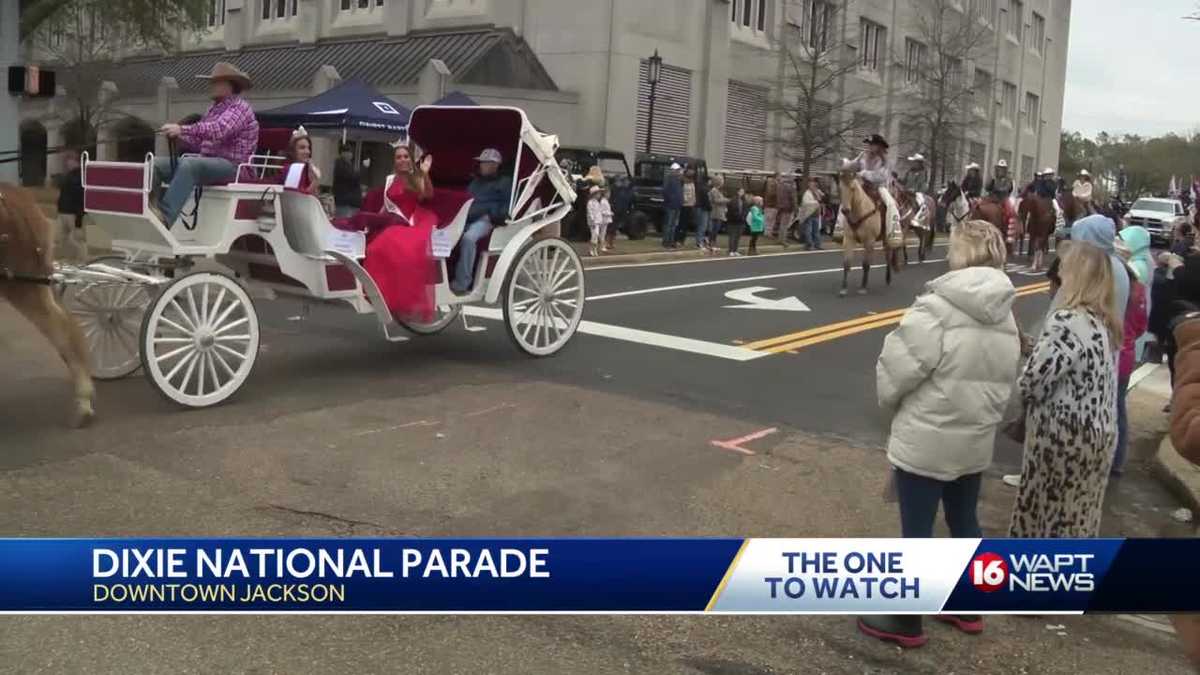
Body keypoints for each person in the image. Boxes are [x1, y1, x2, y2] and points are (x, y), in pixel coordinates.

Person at [860, 220, 1019, 648]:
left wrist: (891, 405)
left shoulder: (937, 307)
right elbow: (1006, 381)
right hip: (973, 438)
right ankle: (967, 605)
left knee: (917, 528)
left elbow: (898, 367)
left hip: (928, 434)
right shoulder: (1005, 314)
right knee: (964, 519)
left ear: (962, 254)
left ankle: (905, 618)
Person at [1010, 243, 1122, 539]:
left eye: (1064, 267)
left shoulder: (1067, 320)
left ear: (1076, 275)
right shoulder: (1101, 322)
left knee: (1043, 521)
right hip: (1097, 436)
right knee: (1078, 519)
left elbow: (1034, 381)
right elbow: (1072, 364)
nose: (1058, 271)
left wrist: (1025, 374)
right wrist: (1033, 346)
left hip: (1061, 440)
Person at [154, 62, 259, 227]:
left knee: (190, 165)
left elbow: (219, 130)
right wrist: (178, 136)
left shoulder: (240, 108)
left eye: (215, 82)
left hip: (234, 168)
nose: (211, 85)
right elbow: (199, 142)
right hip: (210, 164)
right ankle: (148, 208)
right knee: (155, 165)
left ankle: (164, 218)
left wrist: (182, 129)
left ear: (229, 85)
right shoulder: (213, 110)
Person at [357, 141, 437, 323]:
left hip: (409, 224)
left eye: (405, 156)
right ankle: (381, 293)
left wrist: (424, 172)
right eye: (398, 157)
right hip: (390, 222)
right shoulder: (390, 180)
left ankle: (398, 299)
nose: (402, 160)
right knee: (371, 247)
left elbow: (427, 195)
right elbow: (386, 208)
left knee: (386, 249)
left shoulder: (415, 177)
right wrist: (373, 219)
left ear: (411, 159)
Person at [1114, 230, 1150, 476]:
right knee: (1119, 409)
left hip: (1113, 356)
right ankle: (1117, 461)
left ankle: (1111, 460)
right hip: (1125, 356)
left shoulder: (1113, 285)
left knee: (1111, 409)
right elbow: (1140, 327)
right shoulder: (1137, 287)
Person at [453, 148, 513, 293]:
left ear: (495, 165)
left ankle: (463, 282)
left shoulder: (505, 183)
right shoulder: (475, 182)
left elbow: (506, 206)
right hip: (467, 217)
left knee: (468, 238)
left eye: (486, 163)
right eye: (481, 163)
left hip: (485, 219)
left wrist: (493, 216)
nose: (482, 166)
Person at [845, 134, 900, 242]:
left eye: (872, 145)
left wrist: (864, 173)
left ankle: (893, 232)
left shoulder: (885, 160)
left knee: (891, 204)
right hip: (863, 186)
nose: (869, 147)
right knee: (846, 198)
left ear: (879, 146)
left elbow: (881, 176)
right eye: (868, 144)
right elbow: (853, 165)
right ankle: (841, 229)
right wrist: (847, 165)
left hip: (880, 187)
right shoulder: (862, 155)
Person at [54, 150, 86, 261]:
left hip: (74, 214)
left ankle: (83, 262)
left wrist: (79, 221)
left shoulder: (81, 175)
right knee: (63, 240)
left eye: (68, 160)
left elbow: (82, 199)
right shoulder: (68, 175)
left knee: (78, 241)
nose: (66, 163)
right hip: (63, 212)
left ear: (74, 160)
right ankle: (69, 261)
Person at [285, 126, 321, 194]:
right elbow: (297, 198)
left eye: (308, 148)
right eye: (302, 148)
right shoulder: (293, 170)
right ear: (292, 151)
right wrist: (315, 182)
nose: (307, 152)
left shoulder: (306, 169)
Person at [332, 144, 363, 218]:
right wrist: (363, 167)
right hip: (345, 202)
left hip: (349, 202)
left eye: (351, 152)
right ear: (343, 153)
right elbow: (352, 177)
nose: (351, 154)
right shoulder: (340, 164)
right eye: (349, 152)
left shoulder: (348, 165)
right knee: (344, 222)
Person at [609, 174, 634, 250]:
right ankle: (609, 242)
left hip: (622, 210)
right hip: (616, 209)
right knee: (612, 227)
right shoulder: (617, 189)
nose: (627, 183)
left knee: (615, 227)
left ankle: (611, 242)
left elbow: (629, 201)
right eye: (625, 181)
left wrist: (628, 209)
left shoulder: (627, 190)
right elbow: (613, 199)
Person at [707, 176, 730, 255]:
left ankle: (713, 244)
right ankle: (711, 244)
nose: (722, 182)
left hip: (719, 212)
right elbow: (716, 200)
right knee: (714, 229)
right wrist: (727, 200)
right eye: (721, 180)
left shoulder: (718, 191)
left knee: (716, 230)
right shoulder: (714, 190)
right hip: (716, 212)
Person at [661, 163, 683, 248]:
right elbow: (665, 192)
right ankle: (666, 241)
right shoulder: (669, 179)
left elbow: (679, 192)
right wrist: (670, 200)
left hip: (677, 205)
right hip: (670, 205)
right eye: (677, 170)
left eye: (679, 170)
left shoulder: (678, 180)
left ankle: (671, 240)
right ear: (673, 170)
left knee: (674, 225)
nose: (678, 172)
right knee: (669, 224)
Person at [799, 176, 824, 250]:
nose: (813, 186)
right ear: (809, 185)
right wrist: (816, 202)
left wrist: (820, 196)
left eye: (814, 185)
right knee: (808, 231)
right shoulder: (807, 194)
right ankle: (809, 245)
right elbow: (806, 203)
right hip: (809, 214)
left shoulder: (817, 192)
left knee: (816, 231)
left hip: (816, 214)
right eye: (812, 184)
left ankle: (817, 244)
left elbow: (822, 198)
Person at [775, 172, 797, 247]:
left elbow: (778, 197)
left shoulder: (780, 186)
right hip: (789, 207)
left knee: (782, 224)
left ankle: (779, 239)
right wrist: (795, 208)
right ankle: (783, 241)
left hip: (782, 207)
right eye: (793, 178)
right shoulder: (791, 187)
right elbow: (793, 198)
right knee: (785, 225)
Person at [693, 169, 712, 250]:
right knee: (702, 226)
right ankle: (699, 242)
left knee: (703, 226)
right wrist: (710, 207)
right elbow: (706, 200)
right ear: (708, 181)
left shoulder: (701, 187)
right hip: (703, 208)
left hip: (700, 207)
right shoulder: (705, 189)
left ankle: (702, 241)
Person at [586, 185, 606, 257]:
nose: (599, 195)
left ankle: (594, 250)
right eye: (598, 193)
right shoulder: (590, 203)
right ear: (594, 194)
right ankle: (591, 249)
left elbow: (599, 212)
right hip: (593, 223)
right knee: (594, 235)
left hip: (598, 222)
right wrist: (593, 221)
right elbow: (590, 213)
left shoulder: (597, 202)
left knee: (596, 236)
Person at [728, 188, 748, 256]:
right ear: (737, 192)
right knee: (732, 236)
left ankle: (735, 250)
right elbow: (732, 210)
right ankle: (731, 250)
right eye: (740, 191)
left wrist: (743, 216)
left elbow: (745, 210)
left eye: (743, 191)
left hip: (741, 221)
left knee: (738, 236)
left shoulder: (744, 200)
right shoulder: (733, 200)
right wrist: (738, 216)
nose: (742, 193)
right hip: (733, 220)